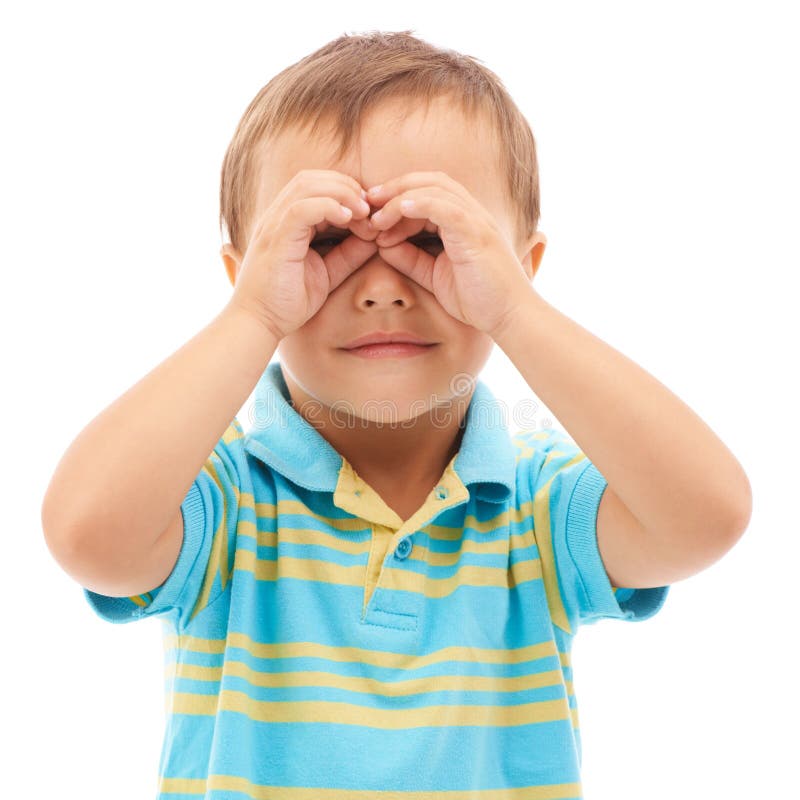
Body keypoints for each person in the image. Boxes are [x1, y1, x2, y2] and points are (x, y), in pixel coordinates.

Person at [41, 29, 752, 799]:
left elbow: (707, 515)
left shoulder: (537, 507)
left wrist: (516, 311)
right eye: (326, 240)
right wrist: (251, 318)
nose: (382, 288)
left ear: (522, 269)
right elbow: (89, 535)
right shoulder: (226, 499)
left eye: (432, 239)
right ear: (245, 277)